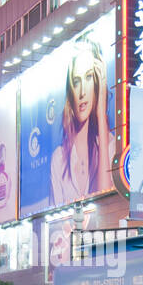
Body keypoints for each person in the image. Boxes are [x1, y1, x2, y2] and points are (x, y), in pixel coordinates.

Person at [49, 39, 111, 204]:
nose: (83, 91)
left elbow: (106, 204)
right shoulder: (58, 159)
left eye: (89, 77)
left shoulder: (112, 147)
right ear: (70, 89)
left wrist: (100, 113)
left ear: (99, 82)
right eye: (76, 82)